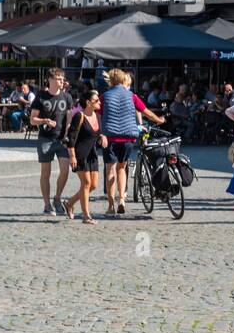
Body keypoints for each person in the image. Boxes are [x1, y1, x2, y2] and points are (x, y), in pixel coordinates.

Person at [100, 70, 164, 217]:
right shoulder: (131, 96)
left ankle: (110, 205)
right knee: (122, 168)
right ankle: (122, 199)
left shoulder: (105, 96)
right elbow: (145, 111)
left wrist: (100, 133)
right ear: (123, 80)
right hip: (128, 137)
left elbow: (99, 114)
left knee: (110, 170)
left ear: (110, 80)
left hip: (110, 137)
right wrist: (159, 120)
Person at [28, 69, 75, 216]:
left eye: (62, 78)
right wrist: (44, 120)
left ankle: (57, 198)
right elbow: (32, 119)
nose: (62, 81)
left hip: (61, 140)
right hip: (45, 139)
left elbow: (69, 117)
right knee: (45, 173)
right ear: (50, 79)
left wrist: (68, 132)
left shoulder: (66, 97)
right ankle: (47, 204)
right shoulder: (41, 97)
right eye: (59, 78)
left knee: (65, 171)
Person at [66, 90, 107, 225]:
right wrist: (72, 156)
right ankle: (86, 216)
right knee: (86, 184)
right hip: (80, 154)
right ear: (88, 102)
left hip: (92, 154)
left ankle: (69, 203)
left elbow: (98, 132)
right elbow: (70, 138)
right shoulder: (79, 116)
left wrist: (102, 136)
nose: (100, 102)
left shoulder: (98, 116)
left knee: (93, 185)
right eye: (97, 100)